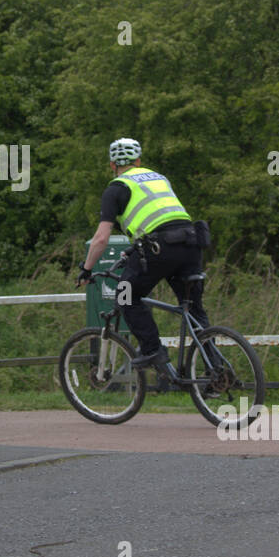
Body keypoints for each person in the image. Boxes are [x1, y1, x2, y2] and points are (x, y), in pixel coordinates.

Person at [76, 137, 209, 383]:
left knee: (126, 295)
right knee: (194, 311)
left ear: (111, 165)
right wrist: (131, 251)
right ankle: (216, 372)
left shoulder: (116, 188)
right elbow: (161, 218)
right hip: (192, 242)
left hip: (160, 248)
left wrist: (86, 269)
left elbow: (101, 239)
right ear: (139, 161)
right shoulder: (159, 178)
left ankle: (152, 351)